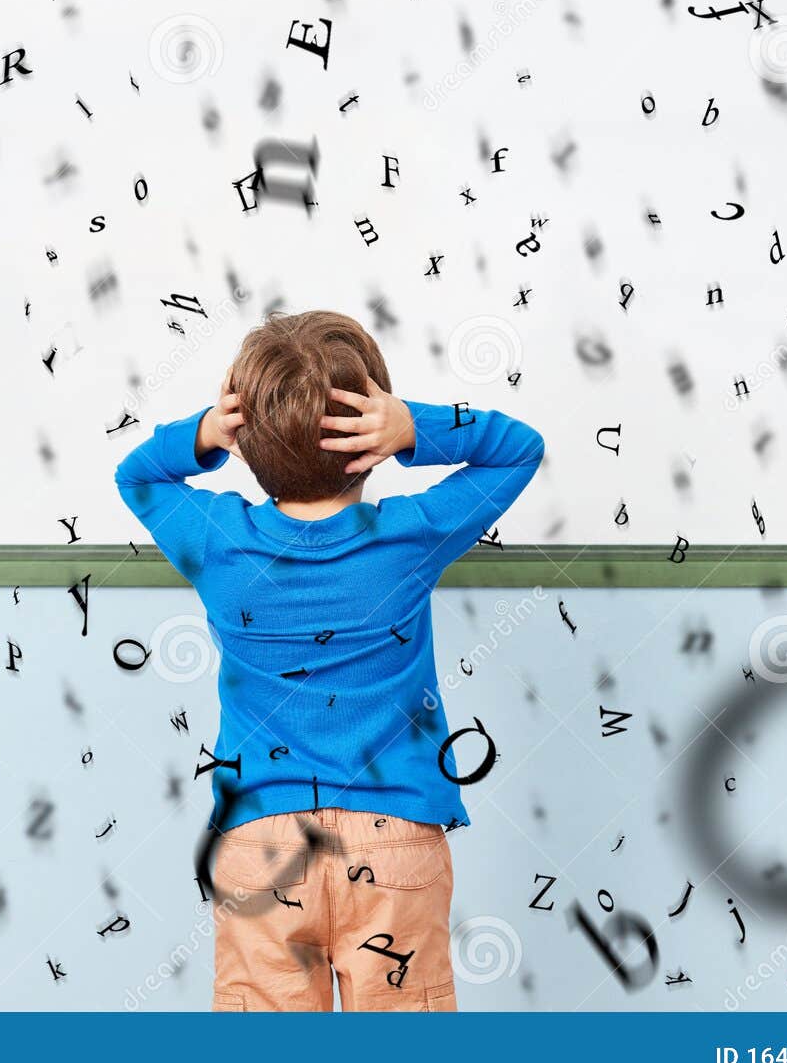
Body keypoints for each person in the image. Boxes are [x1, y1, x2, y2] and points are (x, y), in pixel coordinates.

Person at [114, 310, 544, 1010]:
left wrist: (204, 433)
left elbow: (138, 477)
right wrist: (413, 428)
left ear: (247, 436)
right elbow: (519, 448)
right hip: (396, 839)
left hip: (262, 844)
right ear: (368, 439)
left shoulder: (218, 539)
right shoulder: (409, 536)